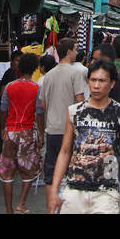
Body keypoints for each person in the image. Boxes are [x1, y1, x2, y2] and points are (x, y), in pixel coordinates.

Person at [46, 59, 120, 214]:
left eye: (102, 80)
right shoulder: (75, 111)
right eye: (93, 80)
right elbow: (65, 151)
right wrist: (54, 189)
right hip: (74, 190)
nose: (96, 85)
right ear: (88, 82)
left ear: (112, 83)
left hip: (106, 192)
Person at [0, 52, 42, 214]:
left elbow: (3, 110)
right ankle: (21, 203)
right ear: (34, 69)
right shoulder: (37, 87)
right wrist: (41, 134)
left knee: (7, 172)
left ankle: (9, 209)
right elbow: (38, 113)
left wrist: (2, 128)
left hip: (10, 131)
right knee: (29, 170)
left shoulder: (10, 87)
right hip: (27, 131)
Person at [38, 37, 87, 181]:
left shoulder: (49, 75)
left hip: (52, 128)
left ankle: (51, 202)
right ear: (68, 51)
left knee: (51, 173)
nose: (77, 52)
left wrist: (54, 110)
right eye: (75, 49)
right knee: (70, 170)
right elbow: (80, 101)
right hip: (69, 129)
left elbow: (42, 104)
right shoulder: (75, 73)